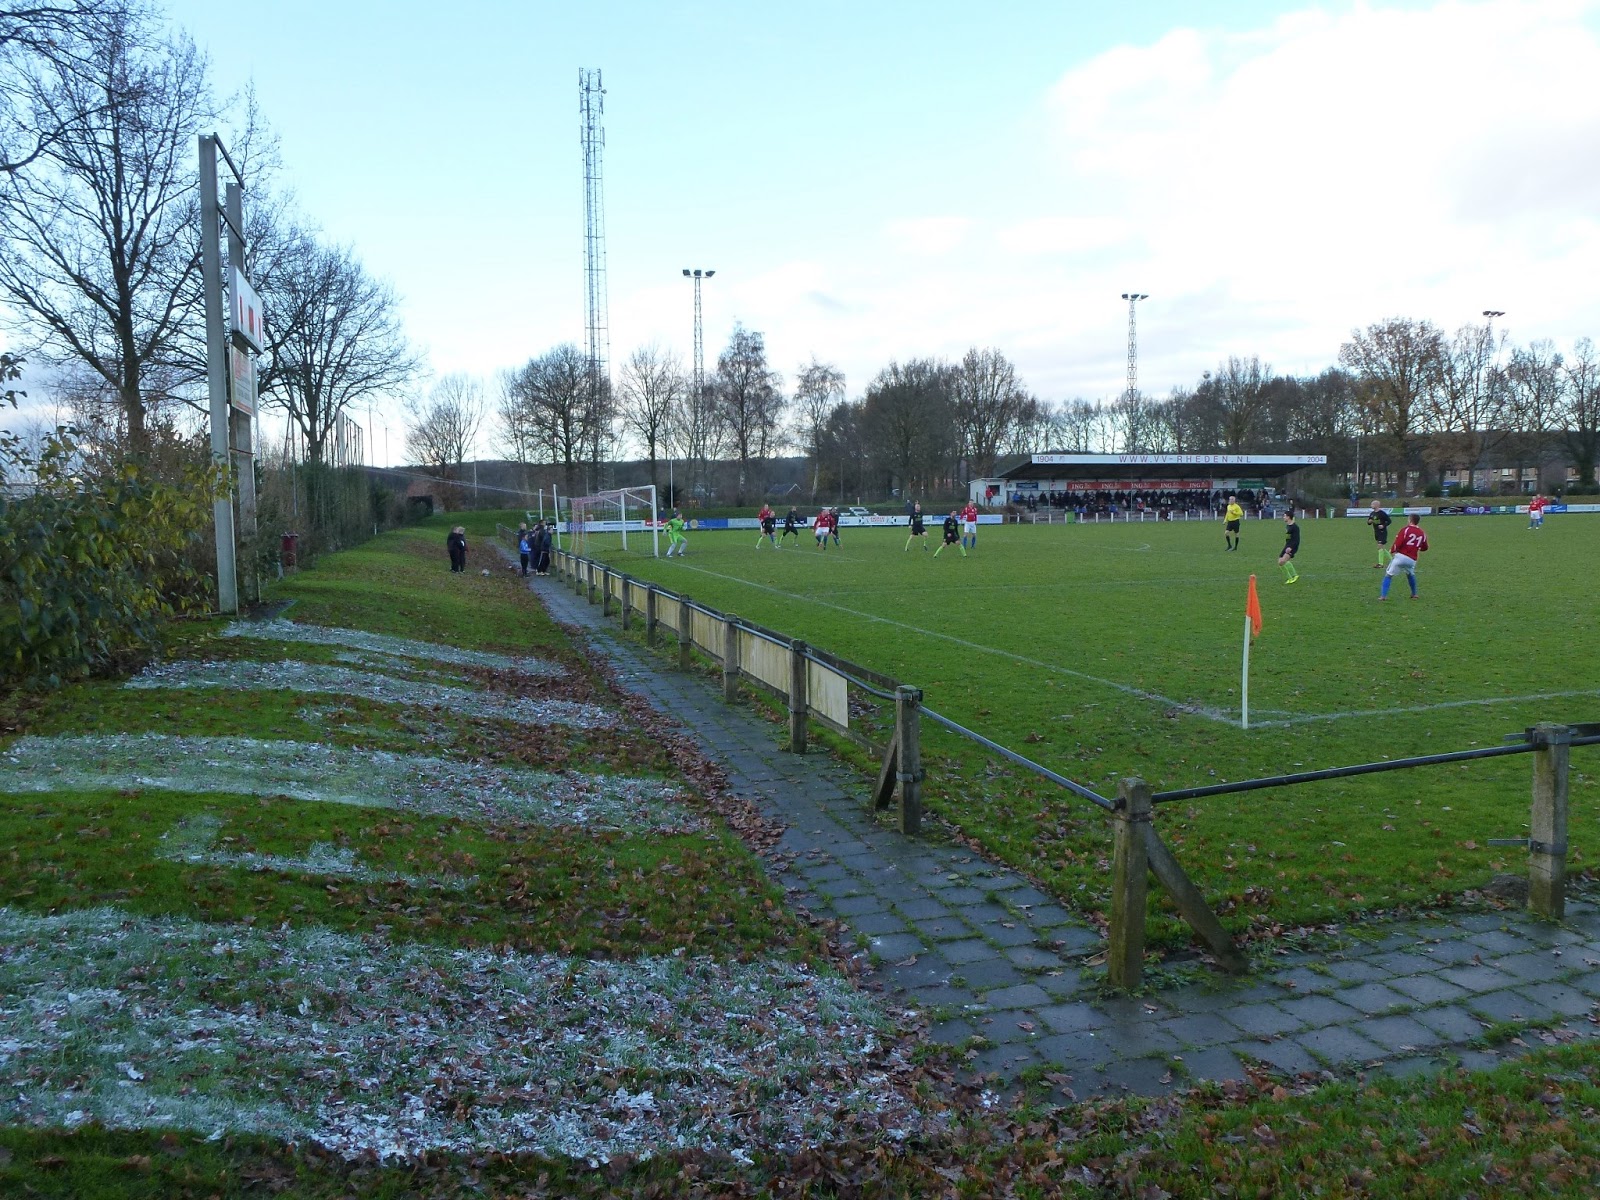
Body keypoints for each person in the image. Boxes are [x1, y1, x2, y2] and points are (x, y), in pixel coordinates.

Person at [1381, 513, 1428, 600]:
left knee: (1388, 575)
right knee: (1410, 574)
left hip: (1401, 556)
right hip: (1412, 559)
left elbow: (1398, 542)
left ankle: (1383, 596)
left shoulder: (1405, 530)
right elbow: (1425, 547)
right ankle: (1414, 594)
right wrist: (1416, 547)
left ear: (1410, 520)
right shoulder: (1422, 533)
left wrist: (1392, 550)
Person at [1366, 500, 1391, 568]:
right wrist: (1369, 521)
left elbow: (1389, 521)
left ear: (1377, 505)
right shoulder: (1372, 513)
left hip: (1382, 532)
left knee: (1380, 546)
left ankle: (1381, 564)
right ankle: (1392, 560)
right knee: (1382, 547)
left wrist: (1383, 525)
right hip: (1376, 532)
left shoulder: (1382, 513)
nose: (1371, 505)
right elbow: (1368, 522)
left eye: (1372, 504)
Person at [1277, 512, 1300, 584]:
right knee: (1280, 561)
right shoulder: (1288, 526)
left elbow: (1296, 540)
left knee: (1282, 562)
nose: (1283, 517)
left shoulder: (1295, 527)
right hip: (1287, 545)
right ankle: (1294, 575)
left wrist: (1290, 547)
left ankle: (1291, 578)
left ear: (1288, 517)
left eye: (1284, 516)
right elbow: (1288, 538)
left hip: (1292, 547)